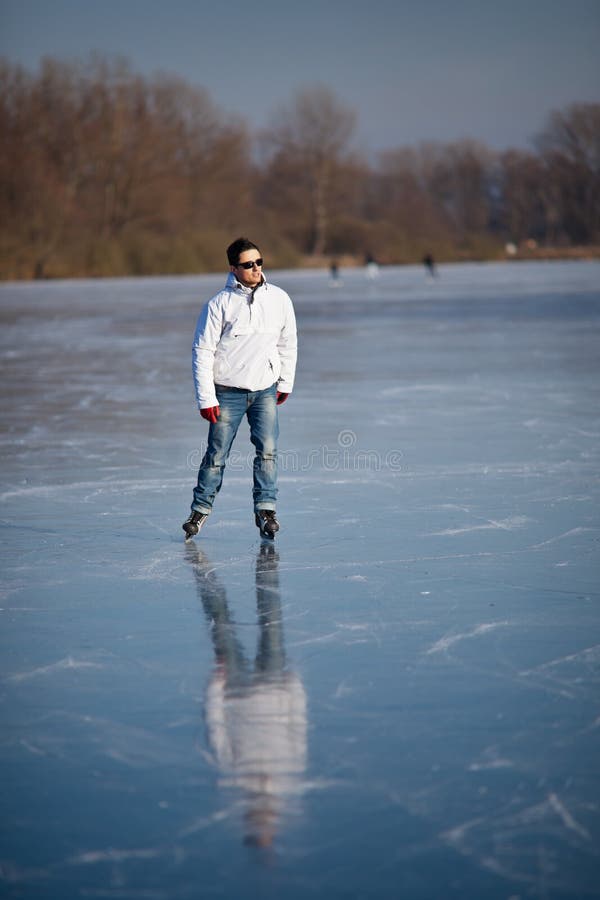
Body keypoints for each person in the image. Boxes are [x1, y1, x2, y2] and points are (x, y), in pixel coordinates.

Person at [183, 238, 297, 541]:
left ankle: (266, 509)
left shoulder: (279, 299)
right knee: (216, 454)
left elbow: (288, 342)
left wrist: (284, 381)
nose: (256, 269)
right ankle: (200, 510)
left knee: (268, 452)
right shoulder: (219, 304)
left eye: (259, 262)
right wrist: (206, 397)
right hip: (227, 393)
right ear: (234, 268)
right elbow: (202, 351)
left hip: (265, 390)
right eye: (248, 264)